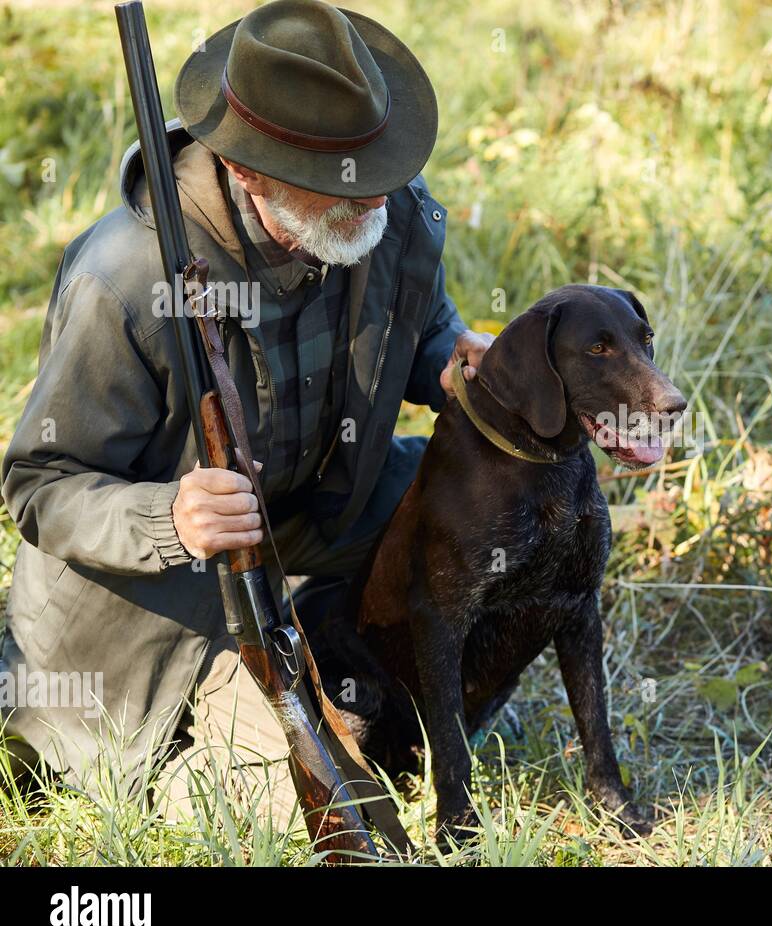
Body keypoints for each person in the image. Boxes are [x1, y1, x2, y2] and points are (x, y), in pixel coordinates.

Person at [0, 0, 494, 827]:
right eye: (344, 177)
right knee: (291, 814)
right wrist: (172, 517)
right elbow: (40, 485)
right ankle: (179, 758)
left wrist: (454, 358)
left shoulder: (379, 210)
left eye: (375, 167)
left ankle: (385, 684)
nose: (373, 198)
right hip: (163, 609)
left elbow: (414, 331)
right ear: (252, 169)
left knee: (492, 515)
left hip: (310, 531)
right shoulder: (124, 280)